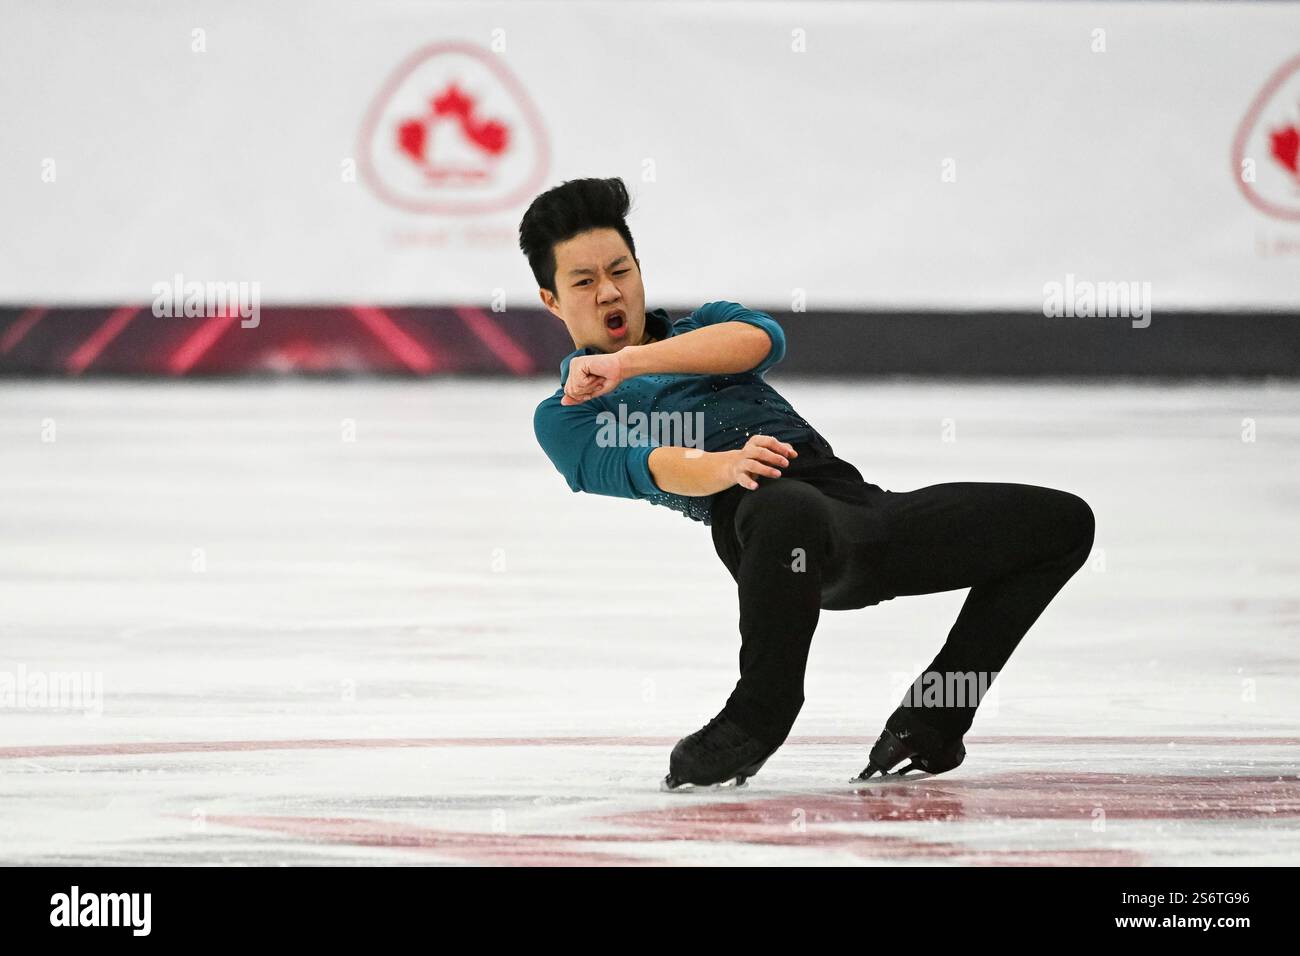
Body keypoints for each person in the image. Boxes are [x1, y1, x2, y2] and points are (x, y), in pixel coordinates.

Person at [521, 177, 1095, 790]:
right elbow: (645, 466)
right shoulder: (565, 415)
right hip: (759, 529)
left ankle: (935, 717)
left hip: (854, 517)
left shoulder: (706, 327)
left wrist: (628, 361)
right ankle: (758, 715)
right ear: (552, 301)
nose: (610, 290)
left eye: (621, 270)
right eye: (583, 282)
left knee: (1062, 524)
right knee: (779, 501)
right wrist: (724, 465)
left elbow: (761, 341)